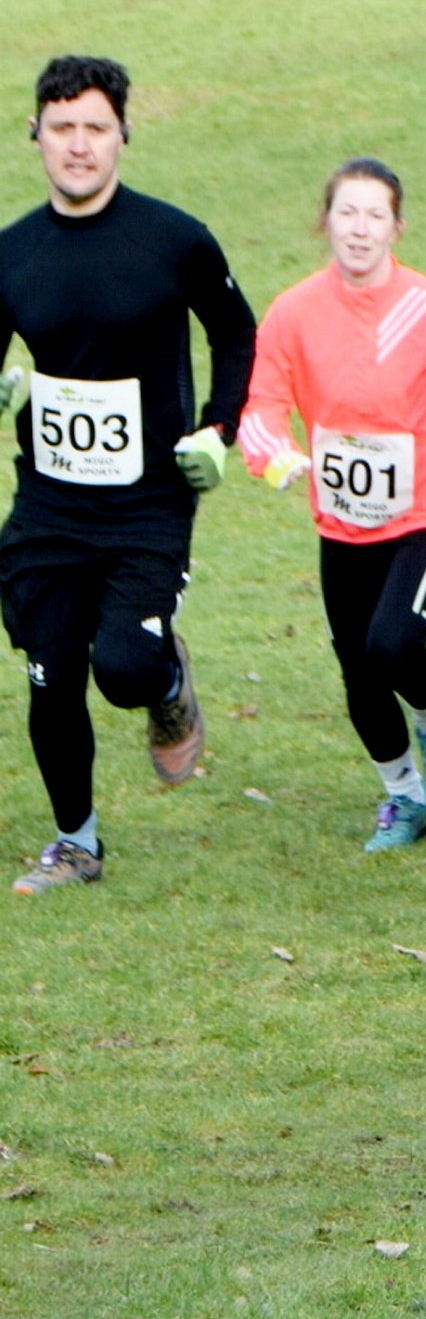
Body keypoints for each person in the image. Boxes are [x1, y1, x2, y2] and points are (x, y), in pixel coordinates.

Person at [2, 56, 256, 896]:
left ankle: (168, 679)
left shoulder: (173, 239)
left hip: (147, 501)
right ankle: (76, 842)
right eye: (63, 127)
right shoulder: (13, 252)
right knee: (49, 672)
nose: (79, 146)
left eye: (96, 128)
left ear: (123, 135)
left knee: (122, 669)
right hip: (47, 502)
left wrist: (218, 429)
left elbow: (235, 331)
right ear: (36, 133)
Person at [239, 159, 426, 853]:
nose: (359, 227)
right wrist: (277, 456)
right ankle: (405, 797)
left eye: (374, 214)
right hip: (344, 517)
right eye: (347, 212)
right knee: (357, 672)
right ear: (325, 220)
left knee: (391, 646)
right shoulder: (294, 311)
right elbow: (259, 407)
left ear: (397, 226)